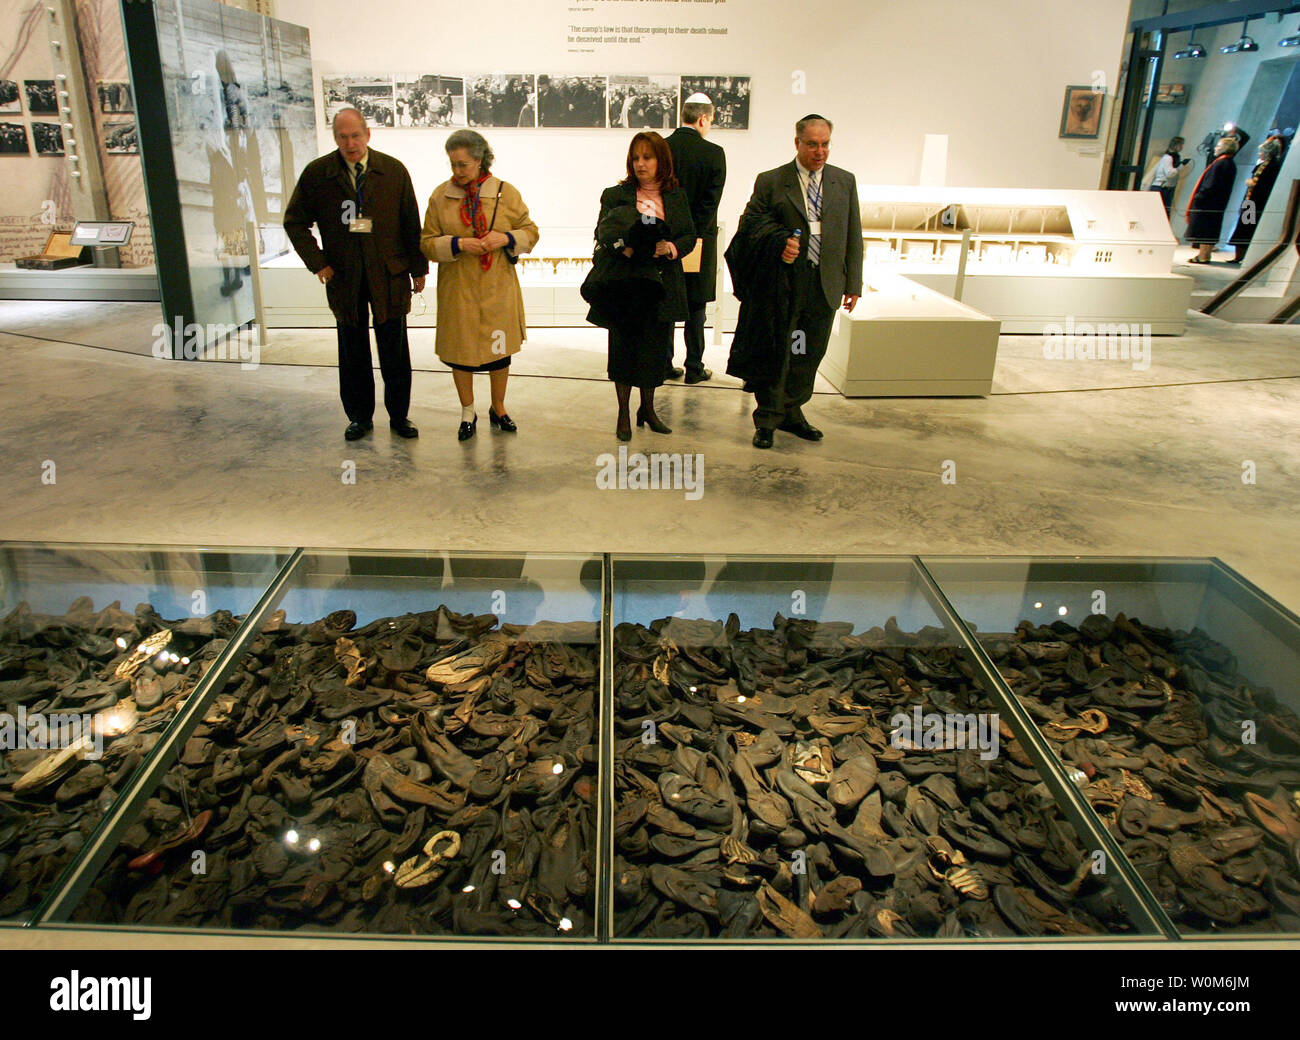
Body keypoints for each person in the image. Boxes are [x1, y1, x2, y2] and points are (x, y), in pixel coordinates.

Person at [284, 107, 427, 440]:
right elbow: (294, 222)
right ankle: (360, 417)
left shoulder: (392, 171)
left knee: (394, 346)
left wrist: (418, 269)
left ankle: (399, 416)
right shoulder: (318, 174)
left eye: (355, 135)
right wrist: (317, 261)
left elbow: (410, 222)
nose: (350, 143)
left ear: (368, 134)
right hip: (344, 275)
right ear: (335, 138)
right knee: (352, 349)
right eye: (342, 136)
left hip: (388, 273)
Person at [725, 114, 862, 449]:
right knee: (777, 351)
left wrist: (854, 282)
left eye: (826, 144)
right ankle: (767, 419)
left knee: (808, 351)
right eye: (813, 144)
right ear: (797, 143)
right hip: (783, 284)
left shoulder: (843, 181)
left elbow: (853, 234)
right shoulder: (772, 181)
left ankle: (792, 411)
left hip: (825, 283)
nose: (820, 151)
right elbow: (752, 226)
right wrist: (779, 243)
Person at [420, 130, 539, 441]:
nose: (458, 172)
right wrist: (458, 244)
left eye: (464, 165)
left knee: (499, 353)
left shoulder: (505, 193)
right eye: (453, 164)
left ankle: (498, 408)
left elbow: (531, 232)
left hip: (497, 289)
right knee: (460, 352)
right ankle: (467, 411)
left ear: (481, 160)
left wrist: (507, 238)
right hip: (458, 291)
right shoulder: (440, 196)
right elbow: (427, 243)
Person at [585, 132, 696, 441]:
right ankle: (623, 411)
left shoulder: (675, 196)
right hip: (626, 284)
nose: (641, 164)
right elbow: (602, 231)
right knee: (623, 349)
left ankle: (647, 409)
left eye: (647, 157)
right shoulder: (615, 194)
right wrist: (624, 248)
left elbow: (688, 235)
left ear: (662, 160)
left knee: (655, 352)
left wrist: (670, 247)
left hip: (661, 284)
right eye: (636, 158)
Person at [665, 92, 726, 384]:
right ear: (703, 118)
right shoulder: (714, 154)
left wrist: (673, 236)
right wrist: (694, 238)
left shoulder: (662, 148)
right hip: (698, 241)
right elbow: (708, 205)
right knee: (696, 307)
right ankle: (694, 367)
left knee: (665, 303)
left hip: (665, 241)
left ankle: (664, 364)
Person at [1227, 138, 1283, 265]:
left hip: (1256, 203)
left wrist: (1252, 184)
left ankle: (1242, 255)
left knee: (1247, 228)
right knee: (1243, 227)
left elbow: (1265, 185)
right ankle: (1239, 255)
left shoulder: (1272, 167)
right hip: (1250, 202)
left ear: (1268, 152)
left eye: (1261, 152)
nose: (1259, 154)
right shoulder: (1263, 165)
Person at [1185, 135, 1239, 264]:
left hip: (1208, 203)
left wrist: (1199, 197)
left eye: (1219, 146)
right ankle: (1205, 255)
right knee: (1210, 230)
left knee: (1205, 230)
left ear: (1225, 148)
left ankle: (1203, 256)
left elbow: (1211, 184)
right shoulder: (1229, 163)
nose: (1216, 148)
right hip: (1217, 203)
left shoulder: (1221, 163)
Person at [1144, 137, 1190, 216]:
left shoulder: (1174, 157)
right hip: (1161, 188)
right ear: (1176, 145)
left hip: (1168, 188)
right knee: (1158, 213)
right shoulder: (1168, 158)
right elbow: (1170, 174)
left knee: (1165, 213)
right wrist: (1181, 166)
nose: (1182, 147)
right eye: (1181, 145)